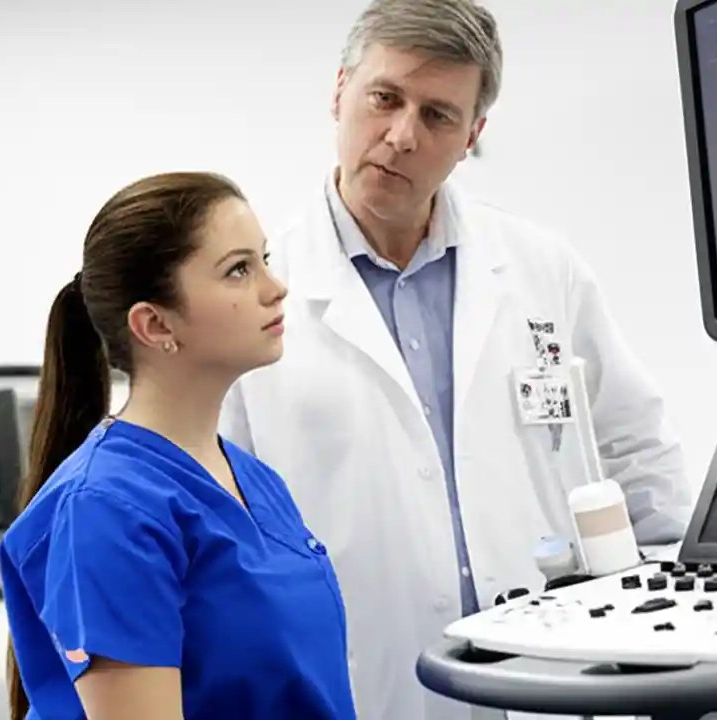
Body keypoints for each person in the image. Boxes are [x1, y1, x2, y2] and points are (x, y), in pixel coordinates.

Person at [220, 1, 693, 718]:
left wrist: (671, 629)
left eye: (438, 115)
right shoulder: (256, 296)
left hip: (557, 679)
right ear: (339, 91)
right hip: (365, 688)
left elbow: (639, 458)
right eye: (384, 98)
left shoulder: (542, 270)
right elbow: (225, 537)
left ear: (472, 134)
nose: (401, 136)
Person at [0, 172, 357, 720]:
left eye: (263, 259)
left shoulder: (253, 479)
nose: (275, 286)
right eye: (239, 270)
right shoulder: (104, 509)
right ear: (155, 323)